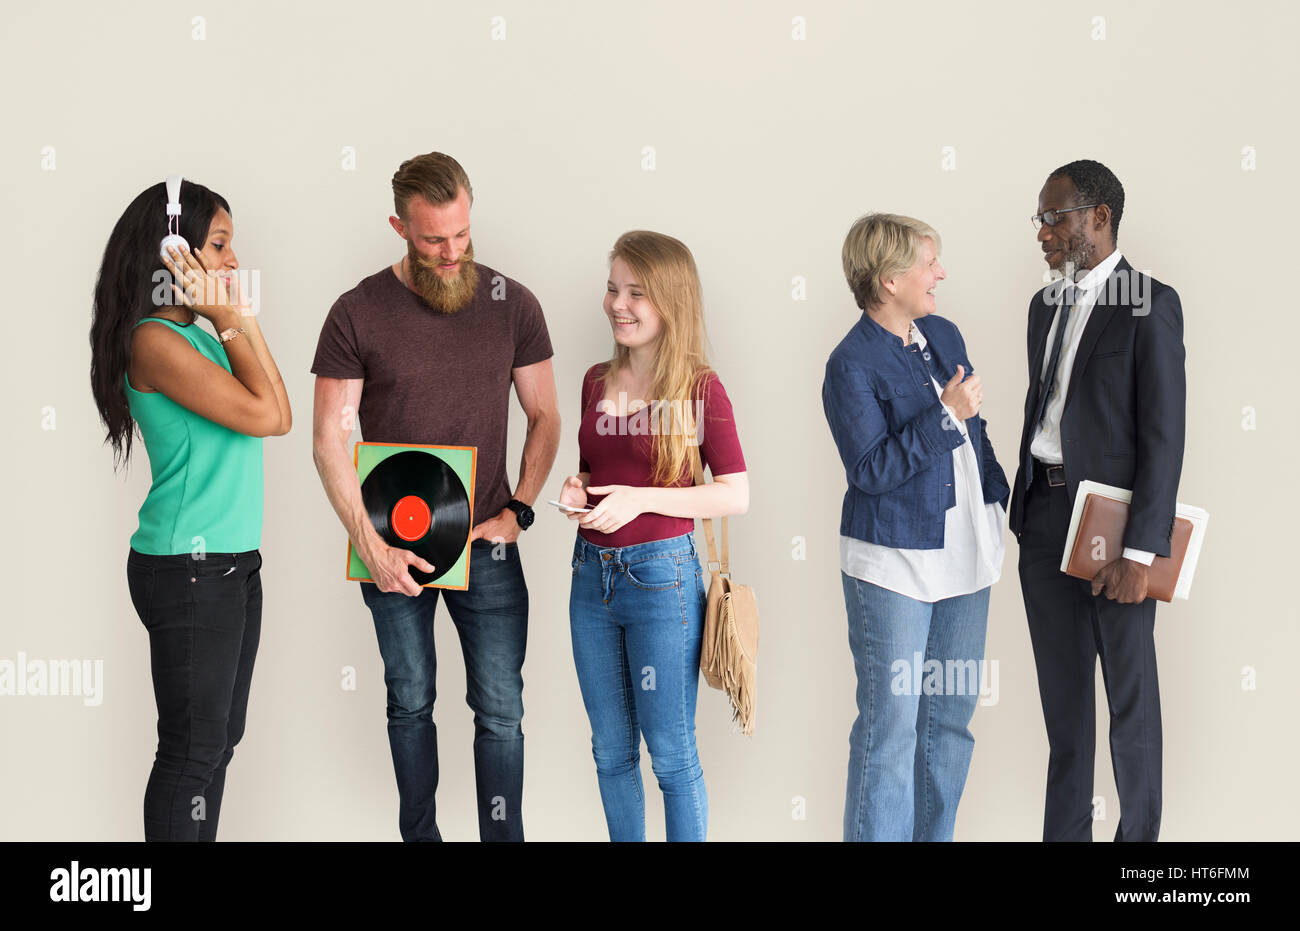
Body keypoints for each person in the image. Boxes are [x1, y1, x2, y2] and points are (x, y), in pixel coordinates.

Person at [311, 152, 560, 842]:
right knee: (410, 700)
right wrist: (371, 546)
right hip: (392, 547)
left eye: (461, 235)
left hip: (488, 545)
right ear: (399, 226)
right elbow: (329, 439)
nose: (451, 253)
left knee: (502, 708)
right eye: (432, 240)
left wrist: (521, 510)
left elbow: (545, 416)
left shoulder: (516, 305)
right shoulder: (356, 312)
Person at [90, 177, 292, 841]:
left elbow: (281, 415)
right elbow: (265, 413)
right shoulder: (155, 341)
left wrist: (239, 318)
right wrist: (235, 319)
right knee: (192, 751)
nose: (234, 261)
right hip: (189, 567)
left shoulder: (203, 334)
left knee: (218, 742)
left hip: (233, 563)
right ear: (172, 254)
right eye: (220, 245)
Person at [1008, 159, 1185, 842]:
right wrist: (1023, 515)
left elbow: (1164, 435)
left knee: (1130, 704)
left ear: (1098, 218)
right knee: (1066, 714)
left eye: (1055, 218)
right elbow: (1047, 415)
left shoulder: (1151, 301)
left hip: (1116, 534)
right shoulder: (1042, 306)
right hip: (1045, 518)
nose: (1043, 233)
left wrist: (1142, 551)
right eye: (1041, 220)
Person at [821, 213, 1009, 842]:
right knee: (890, 729)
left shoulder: (942, 333)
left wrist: (1002, 499)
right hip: (893, 566)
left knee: (949, 723)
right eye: (930, 263)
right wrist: (945, 416)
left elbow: (974, 438)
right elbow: (871, 469)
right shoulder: (849, 364)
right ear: (890, 278)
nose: (942, 274)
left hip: (965, 558)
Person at [556, 230, 748, 842]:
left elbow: (735, 493)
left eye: (637, 293)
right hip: (591, 578)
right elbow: (595, 469)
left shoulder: (699, 388)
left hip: (663, 578)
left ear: (672, 302)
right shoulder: (593, 381)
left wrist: (641, 500)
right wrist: (575, 488)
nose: (619, 304)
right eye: (613, 288)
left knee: (670, 755)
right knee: (610, 752)